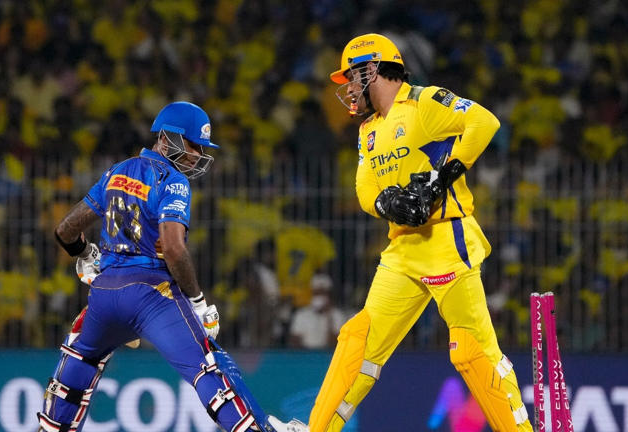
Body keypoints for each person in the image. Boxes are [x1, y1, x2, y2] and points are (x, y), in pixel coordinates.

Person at [269, 34, 532, 432]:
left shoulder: (425, 102)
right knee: (359, 339)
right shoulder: (368, 129)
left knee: (472, 351)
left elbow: (484, 121)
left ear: (371, 69)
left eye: (353, 79)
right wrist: (385, 205)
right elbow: (364, 188)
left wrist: (443, 178)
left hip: (447, 239)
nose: (350, 90)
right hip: (404, 249)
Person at [37, 101, 285, 432]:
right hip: (151, 294)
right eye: (194, 144)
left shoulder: (117, 171)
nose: (197, 154)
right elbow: (173, 248)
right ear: (167, 138)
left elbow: (65, 230)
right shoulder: (173, 180)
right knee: (208, 367)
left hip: (105, 293)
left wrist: (84, 254)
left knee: (77, 369)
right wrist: (197, 301)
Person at [288, 274, 344, 349]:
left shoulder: (337, 315)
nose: (319, 297)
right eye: (316, 293)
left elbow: (335, 345)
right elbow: (294, 343)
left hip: (328, 357)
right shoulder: (301, 314)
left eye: (323, 293)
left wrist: (328, 316)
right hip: (306, 356)